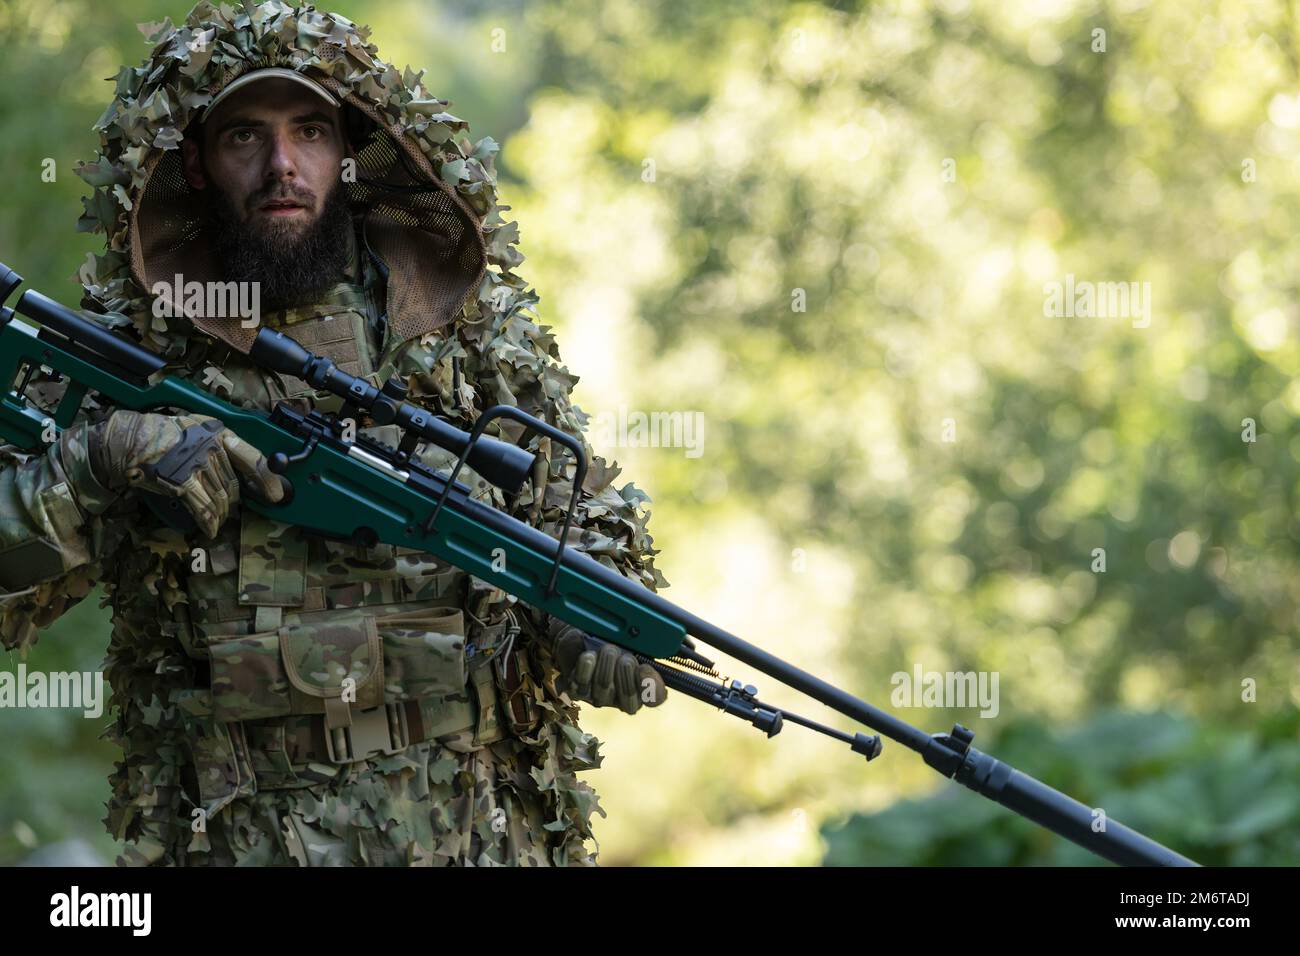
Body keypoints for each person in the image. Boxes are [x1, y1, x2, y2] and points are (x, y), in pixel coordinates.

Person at [0, 0, 667, 866]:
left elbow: (579, 517)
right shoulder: (129, 359)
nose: (283, 165)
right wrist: (100, 461)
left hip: (481, 840)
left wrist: (595, 624)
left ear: (351, 151)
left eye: (310, 130)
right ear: (194, 164)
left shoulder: (463, 336)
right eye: (245, 136)